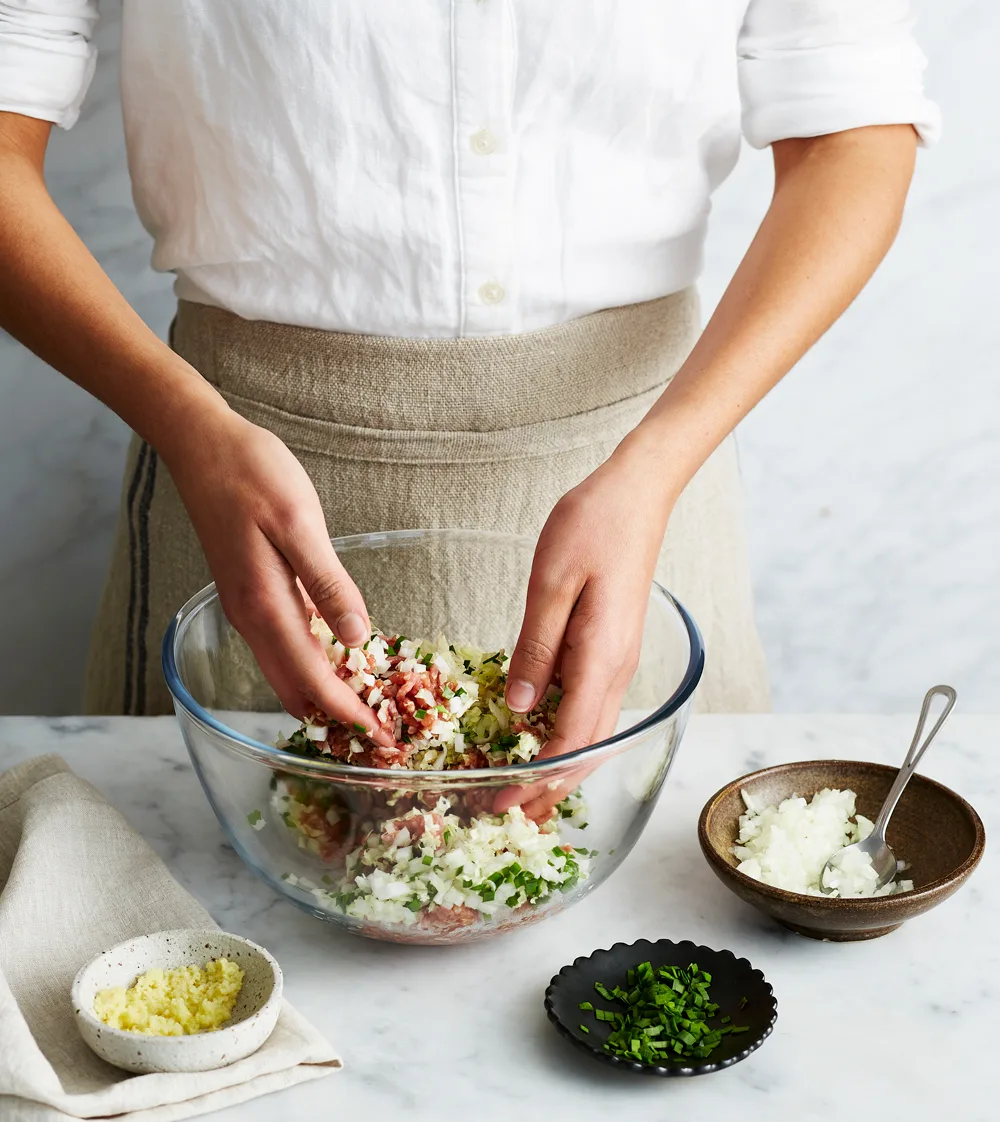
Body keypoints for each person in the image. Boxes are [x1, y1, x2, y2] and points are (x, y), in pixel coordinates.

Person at [0, 3, 938, 760]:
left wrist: (654, 468)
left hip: (645, 468)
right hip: (236, 464)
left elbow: (851, 137)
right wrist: (188, 423)